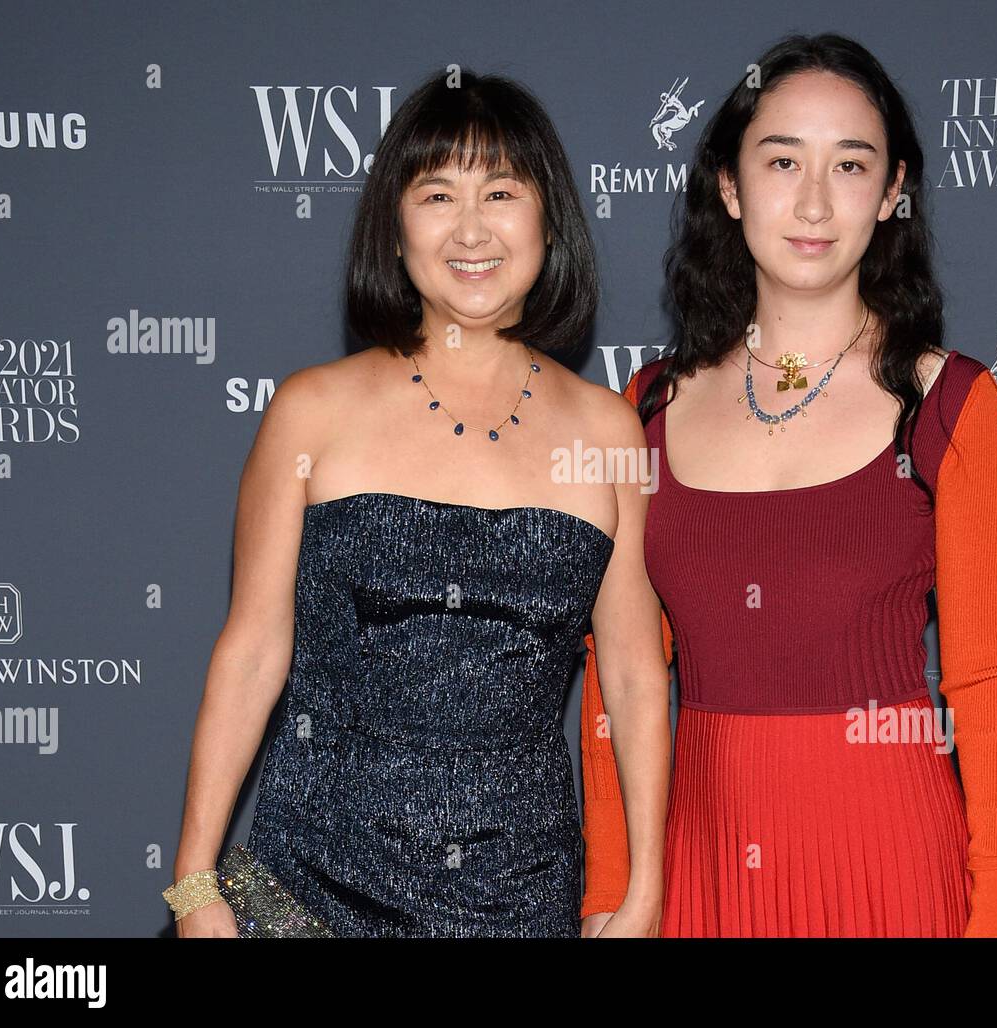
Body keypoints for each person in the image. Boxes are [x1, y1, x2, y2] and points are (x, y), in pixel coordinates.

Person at [163, 68, 670, 938]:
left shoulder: (610, 431)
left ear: (549, 221)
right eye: (438, 193)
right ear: (395, 228)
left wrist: (646, 887)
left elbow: (632, 674)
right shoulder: (310, 412)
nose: (471, 228)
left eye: (502, 192)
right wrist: (197, 882)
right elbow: (252, 650)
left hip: (523, 902)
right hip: (303, 895)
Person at [579, 33, 997, 938]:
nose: (815, 202)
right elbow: (617, 681)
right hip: (701, 866)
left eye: (851, 165)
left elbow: (984, 685)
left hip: (891, 863)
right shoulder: (646, 408)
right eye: (783, 160)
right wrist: (613, 891)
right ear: (730, 185)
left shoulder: (952, 405)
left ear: (892, 191)